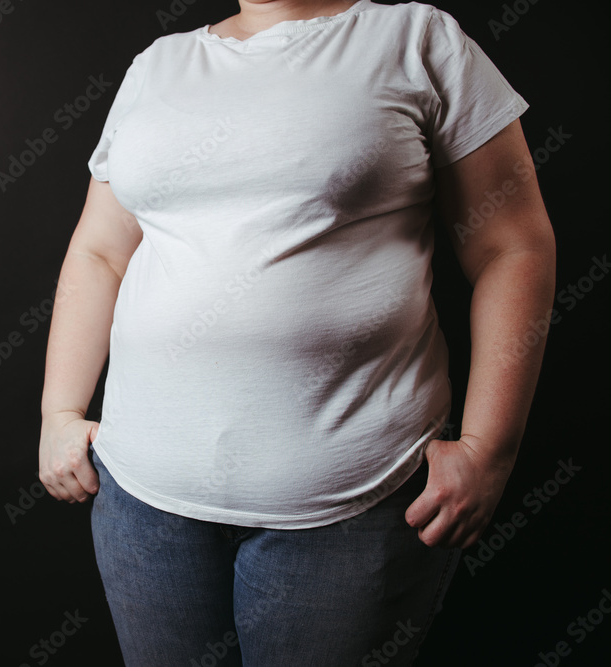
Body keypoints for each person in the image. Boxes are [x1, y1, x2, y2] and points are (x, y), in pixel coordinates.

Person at [38, 0, 556, 664]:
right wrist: (60, 409)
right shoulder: (158, 66)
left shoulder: (415, 40)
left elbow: (512, 246)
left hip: (351, 500)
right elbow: (100, 250)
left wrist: (491, 448)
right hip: (143, 501)